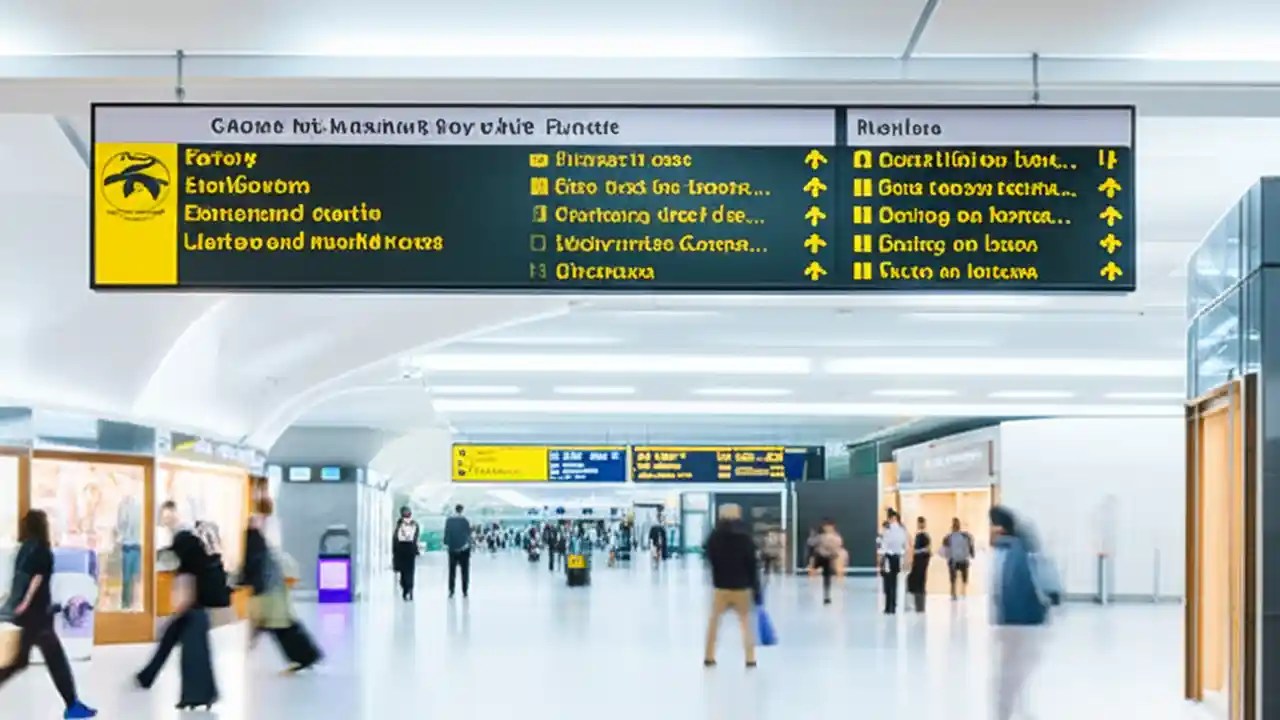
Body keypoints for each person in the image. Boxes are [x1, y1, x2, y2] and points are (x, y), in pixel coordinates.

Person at [0, 510, 98, 719]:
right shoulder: (43, 550)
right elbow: (37, 579)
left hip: (27, 615)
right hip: (37, 615)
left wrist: (16, 604)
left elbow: (19, 577)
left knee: (20, 662)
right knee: (55, 660)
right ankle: (73, 706)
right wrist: (26, 603)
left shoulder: (24, 548)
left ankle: (73, 704)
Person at [137, 507, 219, 710]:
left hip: (191, 614)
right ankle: (147, 677)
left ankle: (196, 695)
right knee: (173, 643)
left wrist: (179, 608)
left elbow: (188, 591)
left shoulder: (189, 563)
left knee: (191, 655)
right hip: (195, 614)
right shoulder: (197, 560)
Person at [241, 497, 322, 673]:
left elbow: (257, 559)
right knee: (281, 620)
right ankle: (307, 654)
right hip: (275, 579)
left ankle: (306, 655)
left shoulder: (257, 530)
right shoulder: (271, 525)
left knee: (279, 622)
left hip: (268, 582)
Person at [989, 505, 1050, 720]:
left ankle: (1005, 710)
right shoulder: (1020, 544)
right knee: (1016, 667)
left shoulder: (1011, 548)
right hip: (1023, 619)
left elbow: (1008, 587)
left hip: (1017, 620)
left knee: (1011, 668)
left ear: (999, 526)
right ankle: (1013, 708)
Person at [136, 500, 196, 690]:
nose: (166, 519)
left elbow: (188, 569)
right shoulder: (181, 535)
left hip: (191, 600)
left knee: (173, 638)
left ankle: (148, 676)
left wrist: (184, 596)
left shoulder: (183, 536)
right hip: (191, 599)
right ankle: (147, 676)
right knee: (171, 638)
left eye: (168, 515)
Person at [702, 504, 761, 668]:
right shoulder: (745, 538)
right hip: (742, 587)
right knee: (746, 624)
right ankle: (750, 659)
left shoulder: (714, 537)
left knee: (714, 623)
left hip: (721, 587)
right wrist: (756, 589)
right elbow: (752, 565)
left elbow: (708, 556)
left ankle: (709, 656)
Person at [880, 509, 908, 614]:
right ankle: (893, 605)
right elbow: (904, 545)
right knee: (894, 582)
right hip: (897, 558)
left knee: (888, 583)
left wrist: (881, 557)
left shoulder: (888, 531)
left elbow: (884, 545)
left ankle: (888, 607)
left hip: (888, 558)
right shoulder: (902, 530)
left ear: (891, 518)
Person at [810, 521, 844, 604]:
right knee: (826, 577)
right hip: (822, 557)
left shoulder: (833, 537)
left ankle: (826, 596)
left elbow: (812, 543)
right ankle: (826, 596)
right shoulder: (822, 537)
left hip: (827, 558)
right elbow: (812, 543)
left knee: (827, 578)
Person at [941, 518, 976, 600]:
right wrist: (972, 553)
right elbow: (970, 544)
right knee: (963, 578)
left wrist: (946, 555)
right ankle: (962, 593)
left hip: (954, 560)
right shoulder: (965, 535)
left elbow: (945, 546)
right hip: (962, 559)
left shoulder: (949, 536)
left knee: (953, 578)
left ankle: (954, 594)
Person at [443, 504, 471, 598]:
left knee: (452, 571)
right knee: (465, 571)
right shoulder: (465, 520)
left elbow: (446, 534)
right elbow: (468, 534)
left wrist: (447, 544)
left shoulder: (449, 520)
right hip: (464, 548)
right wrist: (467, 544)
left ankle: (451, 590)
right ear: (462, 510)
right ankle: (465, 590)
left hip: (452, 548)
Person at [392, 506, 420, 601]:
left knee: (404, 571)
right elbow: (415, 538)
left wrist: (394, 550)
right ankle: (409, 588)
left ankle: (406, 588)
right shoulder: (414, 524)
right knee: (409, 571)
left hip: (401, 550)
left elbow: (395, 538)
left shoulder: (399, 524)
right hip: (409, 550)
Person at [907, 516, 932, 612]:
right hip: (919, 562)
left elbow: (925, 549)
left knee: (919, 581)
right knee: (918, 581)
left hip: (921, 562)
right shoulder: (920, 536)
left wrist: (916, 552)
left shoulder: (923, 536)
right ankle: (918, 604)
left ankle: (919, 605)